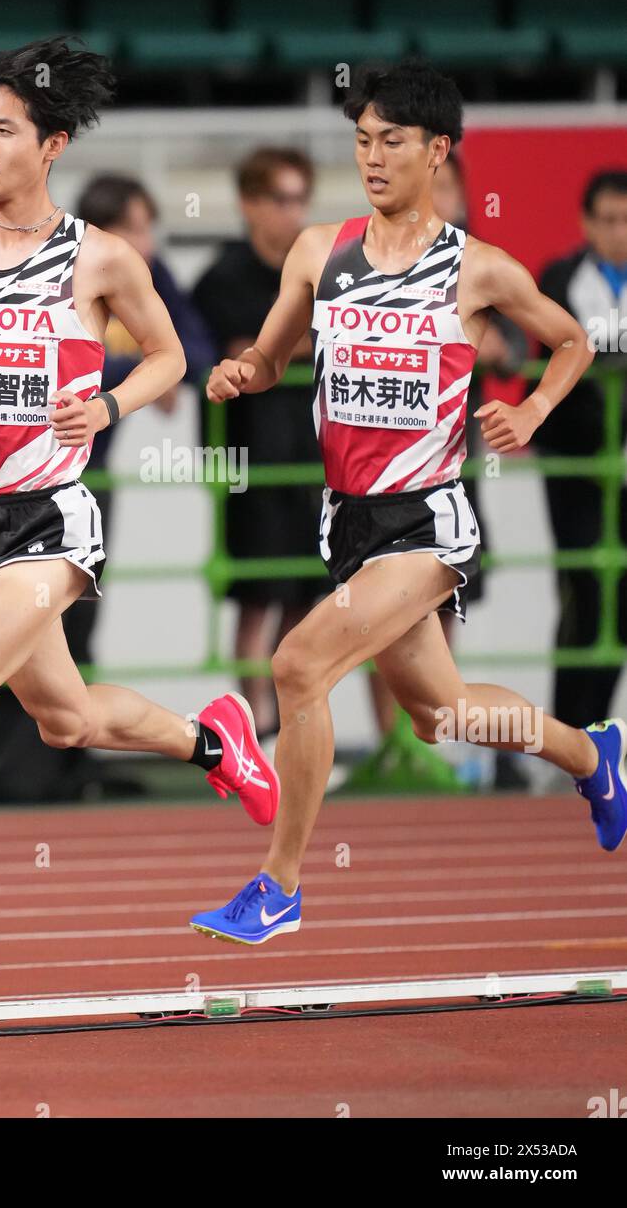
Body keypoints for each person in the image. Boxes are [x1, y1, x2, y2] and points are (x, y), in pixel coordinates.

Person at [0, 37, 278, 989]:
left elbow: (168, 357)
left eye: (5, 131)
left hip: (50, 524)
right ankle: (214, 739)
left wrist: (107, 404)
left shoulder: (97, 258)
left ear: (52, 142)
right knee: (65, 720)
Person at [190, 60, 623, 946]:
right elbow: (274, 360)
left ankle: (280, 884)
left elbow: (572, 338)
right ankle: (593, 755)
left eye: (392, 141)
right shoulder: (319, 252)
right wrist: (243, 372)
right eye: (361, 140)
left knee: (297, 666)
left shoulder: (481, 269)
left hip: (427, 521)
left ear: (439, 152)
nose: (373, 157)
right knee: (443, 714)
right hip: (347, 521)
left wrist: (533, 407)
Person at [369, 149, 529, 792]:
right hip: (367, 480)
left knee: (439, 613)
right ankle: (396, 747)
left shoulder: (477, 266)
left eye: (447, 185)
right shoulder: (368, 259)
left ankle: (431, 747)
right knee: (369, 627)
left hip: (445, 475)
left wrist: (477, 336)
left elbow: (522, 347)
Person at [193, 148, 324, 736]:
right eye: (280, 198)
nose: (292, 212)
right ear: (248, 203)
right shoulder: (222, 278)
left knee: (305, 600)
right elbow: (246, 351)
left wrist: (277, 345)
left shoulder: (317, 270)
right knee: (256, 600)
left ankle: (286, 731)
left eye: (300, 199)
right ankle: (257, 735)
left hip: (317, 458)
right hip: (248, 462)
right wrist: (308, 337)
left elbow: (265, 349)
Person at [62, 173, 215, 669]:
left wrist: (159, 368)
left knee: (81, 611)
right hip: (31, 473)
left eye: (150, 229)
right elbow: (69, 375)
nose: (147, 245)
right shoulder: (62, 276)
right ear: (98, 233)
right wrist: (150, 370)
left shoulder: (148, 273)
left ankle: (69, 741)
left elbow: (197, 353)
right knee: (29, 619)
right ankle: (13, 743)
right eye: (134, 230)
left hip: (92, 472)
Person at [537, 170, 627, 729]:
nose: (619, 231)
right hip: (576, 467)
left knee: (623, 603)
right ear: (586, 223)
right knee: (584, 590)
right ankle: (567, 736)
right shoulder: (559, 278)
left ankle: (597, 736)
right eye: (609, 220)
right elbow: (556, 359)